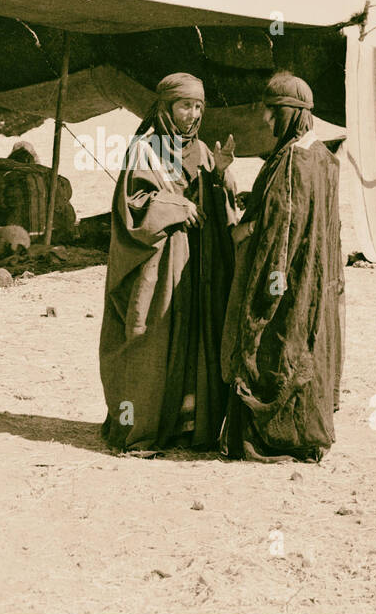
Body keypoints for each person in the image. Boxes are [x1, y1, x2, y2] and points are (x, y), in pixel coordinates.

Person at [99, 73, 239, 453]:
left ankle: (187, 426)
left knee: (194, 339)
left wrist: (221, 174)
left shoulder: (203, 151)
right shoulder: (145, 149)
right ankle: (143, 425)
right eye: (184, 105)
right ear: (166, 107)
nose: (192, 114)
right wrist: (178, 206)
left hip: (197, 267)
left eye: (198, 106)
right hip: (159, 266)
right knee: (152, 336)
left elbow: (221, 204)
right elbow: (134, 204)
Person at [219, 72, 344, 463]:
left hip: (285, 278)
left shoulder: (293, 160)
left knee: (276, 348)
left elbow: (277, 228)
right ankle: (304, 434)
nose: (267, 121)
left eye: (273, 113)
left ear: (289, 113)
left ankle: (275, 437)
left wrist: (261, 278)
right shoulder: (323, 155)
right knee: (305, 344)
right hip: (314, 279)